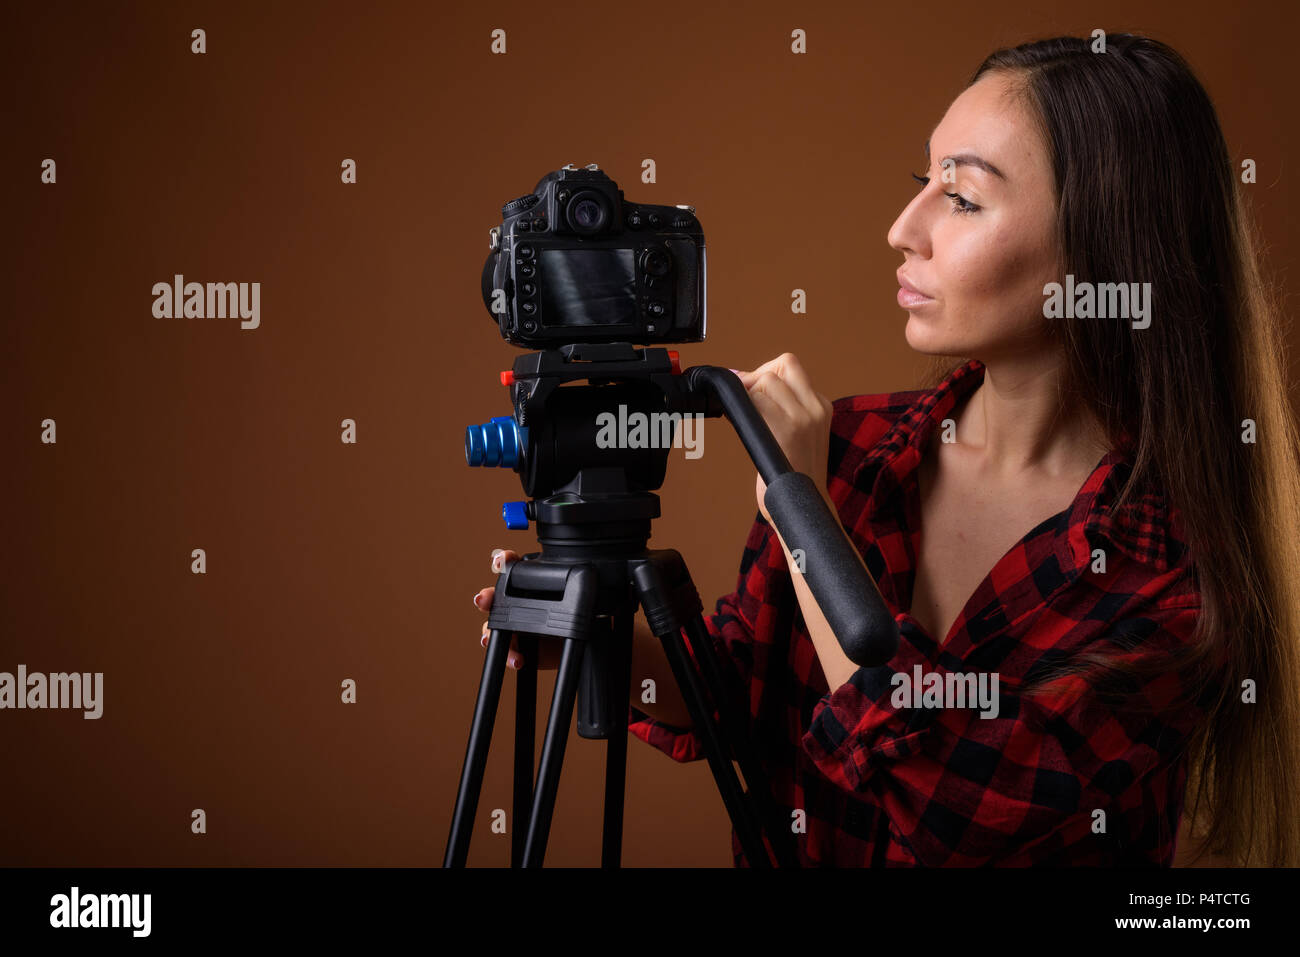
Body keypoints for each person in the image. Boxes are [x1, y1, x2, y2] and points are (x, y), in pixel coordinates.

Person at [472, 33, 1300, 866]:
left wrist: (801, 506)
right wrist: (605, 644)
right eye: (921, 182)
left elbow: (963, 811)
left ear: (1104, 249)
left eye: (962, 199)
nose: (903, 229)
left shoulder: (1170, 566)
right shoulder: (852, 445)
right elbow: (743, 690)